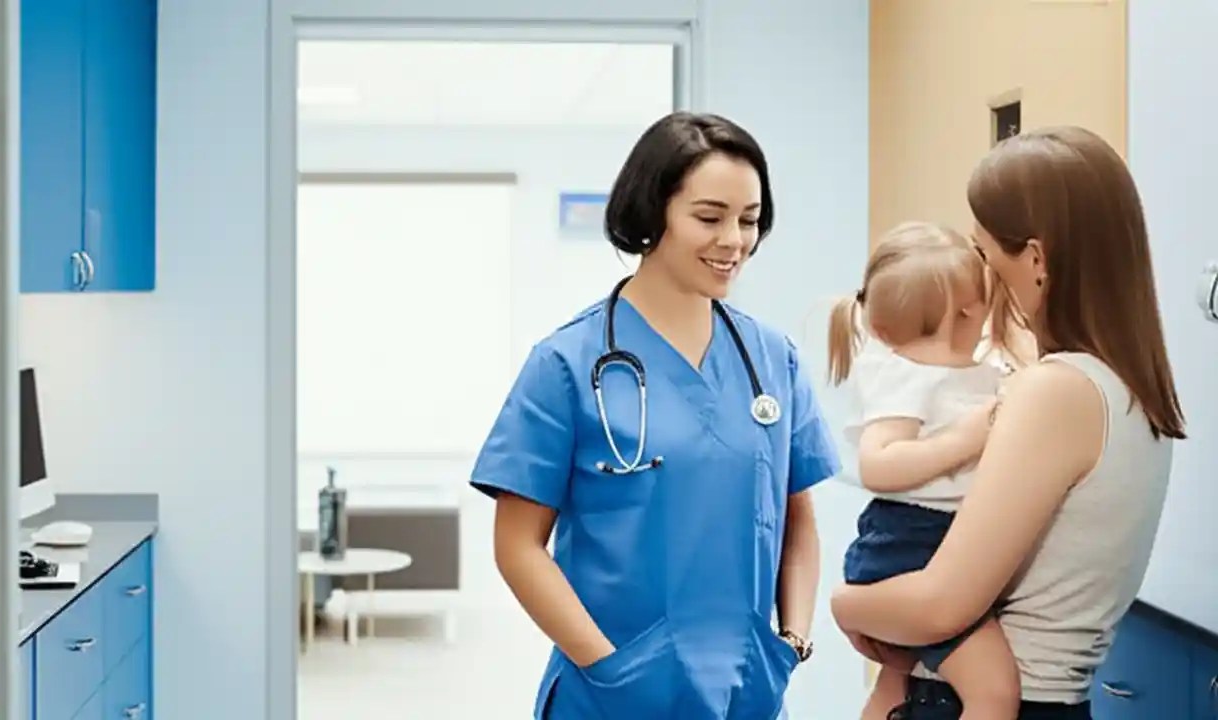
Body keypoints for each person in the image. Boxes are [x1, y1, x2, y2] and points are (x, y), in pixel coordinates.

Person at [469, 111, 840, 719]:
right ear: (652, 214)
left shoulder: (772, 359)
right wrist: (609, 666)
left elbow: (799, 518)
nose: (734, 241)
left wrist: (792, 641)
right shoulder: (567, 362)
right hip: (613, 694)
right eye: (709, 217)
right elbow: (516, 545)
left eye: (749, 220)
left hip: (746, 693)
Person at [830, 125, 1187, 720]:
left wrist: (847, 604)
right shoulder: (1128, 389)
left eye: (985, 253)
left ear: (1037, 260)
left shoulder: (1056, 392)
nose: (981, 277)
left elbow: (939, 607)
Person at [826, 222, 1019, 720]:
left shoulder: (965, 363)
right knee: (994, 692)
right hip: (910, 542)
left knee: (896, 685)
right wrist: (961, 442)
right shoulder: (904, 374)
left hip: (943, 539)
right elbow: (878, 464)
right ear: (966, 311)